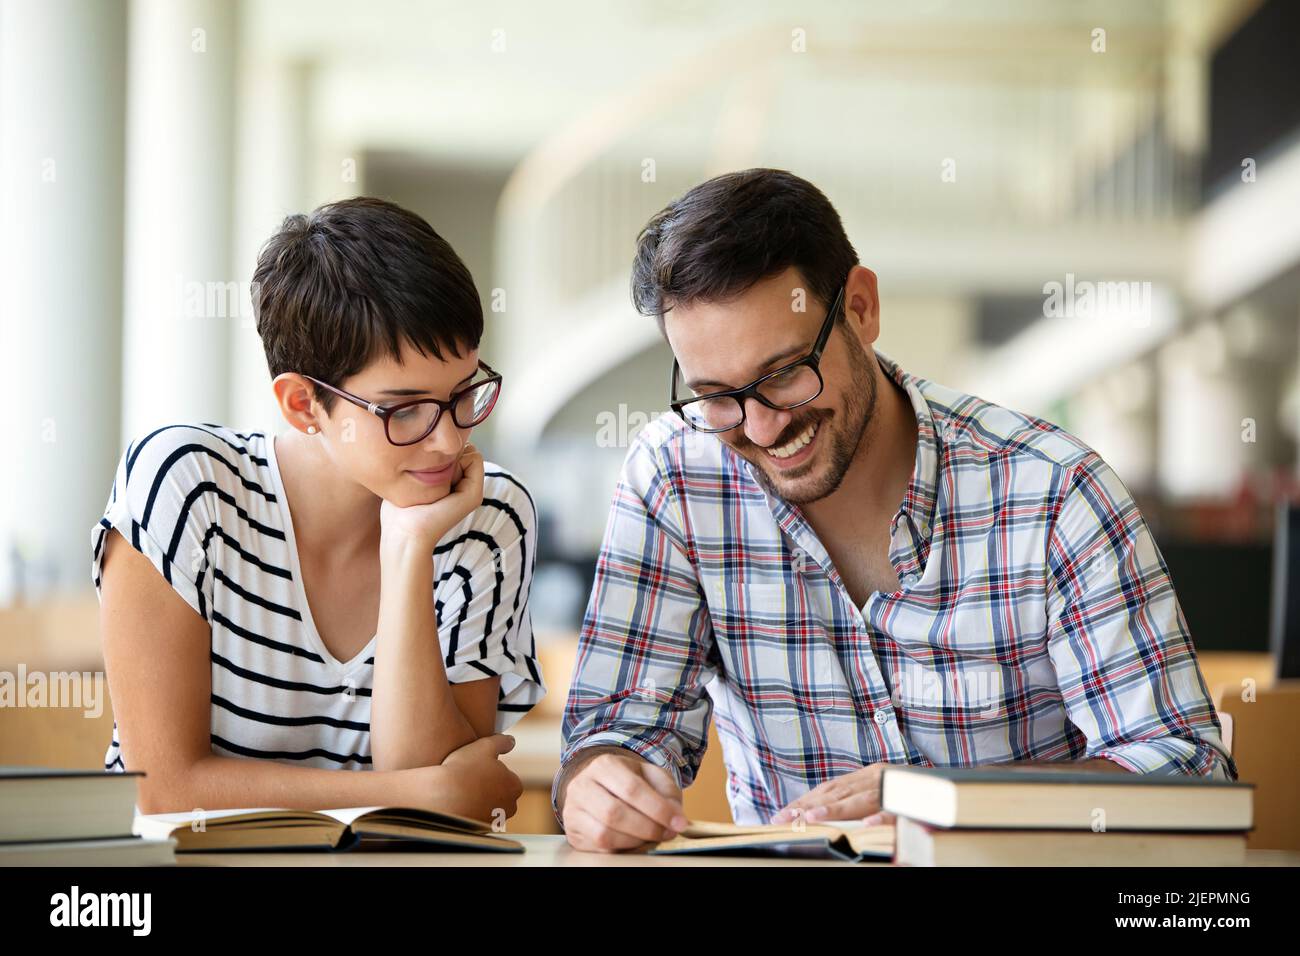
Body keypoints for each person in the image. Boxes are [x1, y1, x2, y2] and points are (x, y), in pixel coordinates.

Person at [554, 168, 1236, 852]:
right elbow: (614, 735)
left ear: (860, 307)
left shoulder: (1054, 493)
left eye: (786, 373)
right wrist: (597, 781)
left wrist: (949, 801)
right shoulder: (676, 478)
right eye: (719, 396)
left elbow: (1187, 774)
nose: (760, 430)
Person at [94, 197, 542, 821]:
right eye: (404, 409)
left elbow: (447, 814)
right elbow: (163, 790)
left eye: (463, 394)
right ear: (304, 404)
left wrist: (409, 547)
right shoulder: (186, 485)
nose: (450, 439)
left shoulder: (488, 517)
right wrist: (409, 794)